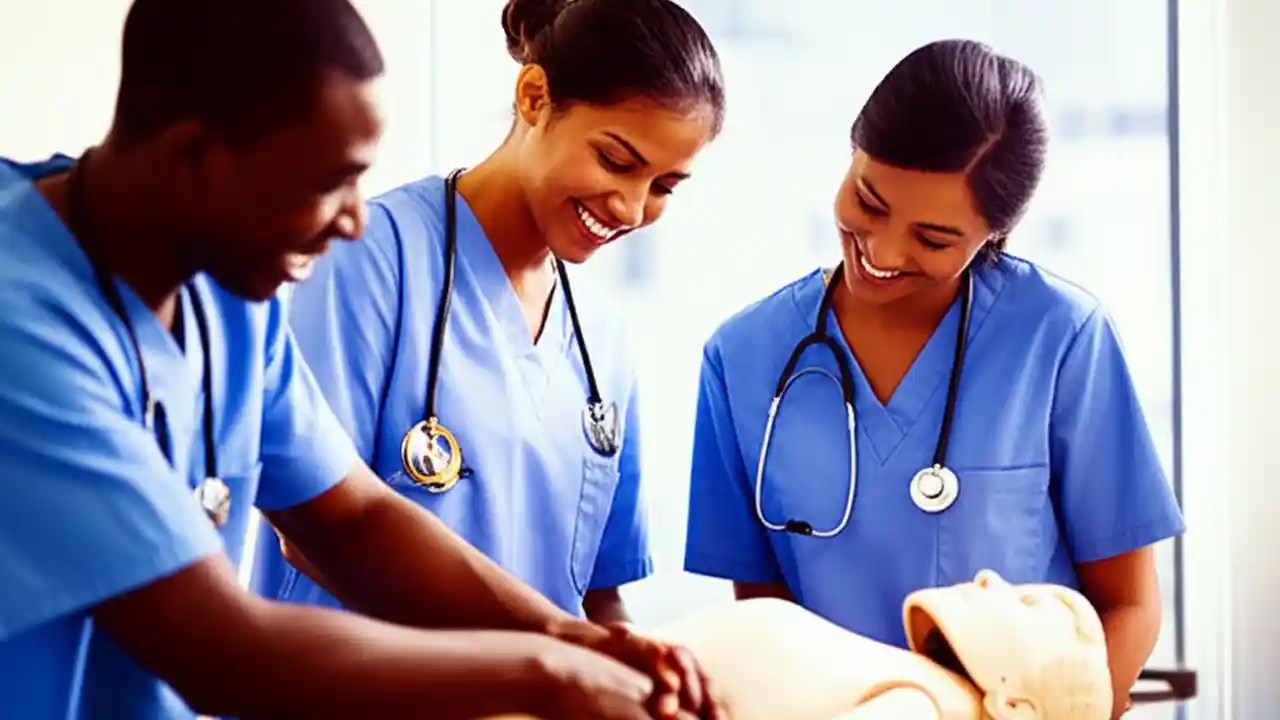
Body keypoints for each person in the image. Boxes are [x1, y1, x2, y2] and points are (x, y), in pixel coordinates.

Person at [0, 1, 722, 718]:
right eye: (327, 183)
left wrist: (570, 638)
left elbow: (350, 518)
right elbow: (222, 655)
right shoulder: (22, 323)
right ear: (194, 156)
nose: (353, 218)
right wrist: (547, 674)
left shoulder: (222, 290)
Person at [682, 39, 1185, 718]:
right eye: (869, 199)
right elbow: (766, 632)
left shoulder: (1062, 340)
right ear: (852, 151)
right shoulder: (743, 356)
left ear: (992, 232)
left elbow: (1127, 603)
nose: (884, 250)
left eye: (935, 237)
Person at [251, 0, 725, 624]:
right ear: (534, 97)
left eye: (664, 186)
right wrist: (545, 652)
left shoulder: (601, 337)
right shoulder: (369, 258)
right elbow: (315, 528)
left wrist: (639, 674)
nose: (633, 209)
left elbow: (598, 598)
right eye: (616, 161)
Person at [489, 569, 1113, 720]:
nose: (991, 579)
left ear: (1017, 709)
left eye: (1032, 604)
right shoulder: (907, 674)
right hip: (592, 684)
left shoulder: (924, 706)